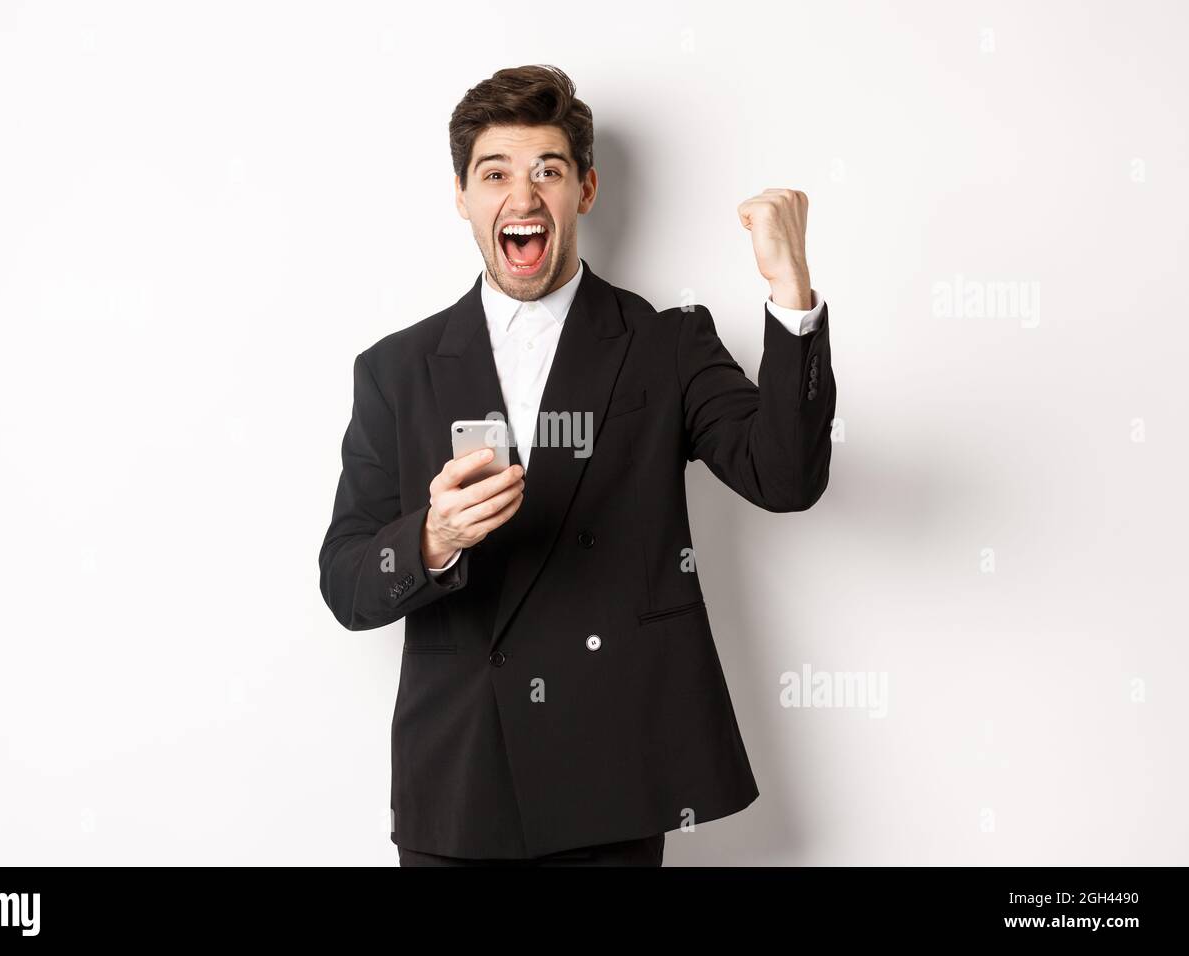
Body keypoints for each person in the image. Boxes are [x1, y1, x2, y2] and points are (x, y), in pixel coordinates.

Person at [319, 64, 836, 866]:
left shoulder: (666, 343)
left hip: (612, 778)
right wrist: (430, 536)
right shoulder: (395, 369)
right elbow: (346, 583)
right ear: (462, 197)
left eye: (547, 172)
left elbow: (786, 477)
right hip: (457, 788)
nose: (522, 198)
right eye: (495, 173)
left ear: (586, 190)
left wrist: (789, 291)